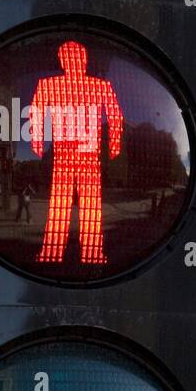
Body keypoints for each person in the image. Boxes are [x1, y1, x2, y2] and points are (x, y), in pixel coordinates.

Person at [29, 39, 123, 264]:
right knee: (60, 204)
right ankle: (53, 253)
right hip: (64, 153)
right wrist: (37, 140)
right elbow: (36, 112)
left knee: (89, 205)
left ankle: (91, 254)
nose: (75, 62)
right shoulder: (49, 85)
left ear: (85, 59)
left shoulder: (100, 86)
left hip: (88, 155)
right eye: (69, 57)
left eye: (79, 57)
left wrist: (115, 144)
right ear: (62, 61)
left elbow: (115, 115)